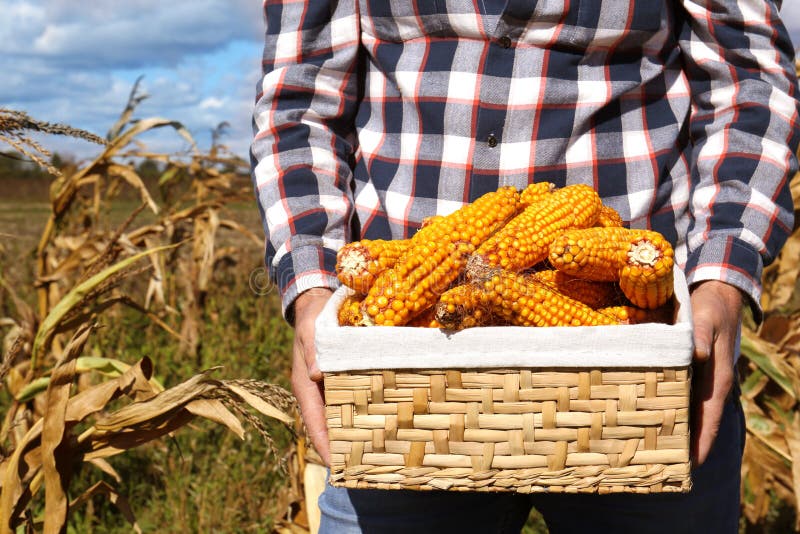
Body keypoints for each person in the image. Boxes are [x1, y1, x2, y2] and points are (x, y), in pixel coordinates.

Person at [251, 1, 799, 532]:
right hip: (401, 363)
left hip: (634, 357)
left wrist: (722, 280)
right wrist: (314, 292)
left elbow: (749, 84)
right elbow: (299, 105)